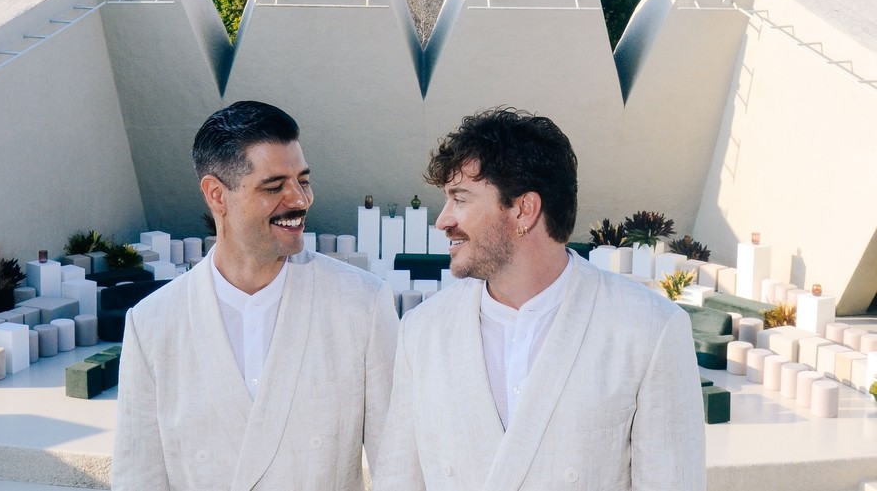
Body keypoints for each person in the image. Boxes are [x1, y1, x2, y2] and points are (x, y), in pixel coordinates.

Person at [374, 107, 705, 491]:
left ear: (523, 210)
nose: (443, 220)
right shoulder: (422, 331)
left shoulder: (649, 329)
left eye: (460, 199)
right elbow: (397, 481)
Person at [113, 100, 399, 490]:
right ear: (216, 195)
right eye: (274, 186)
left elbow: (398, 468)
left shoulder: (362, 304)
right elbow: (137, 479)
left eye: (303, 180)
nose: (299, 199)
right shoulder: (152, 324)